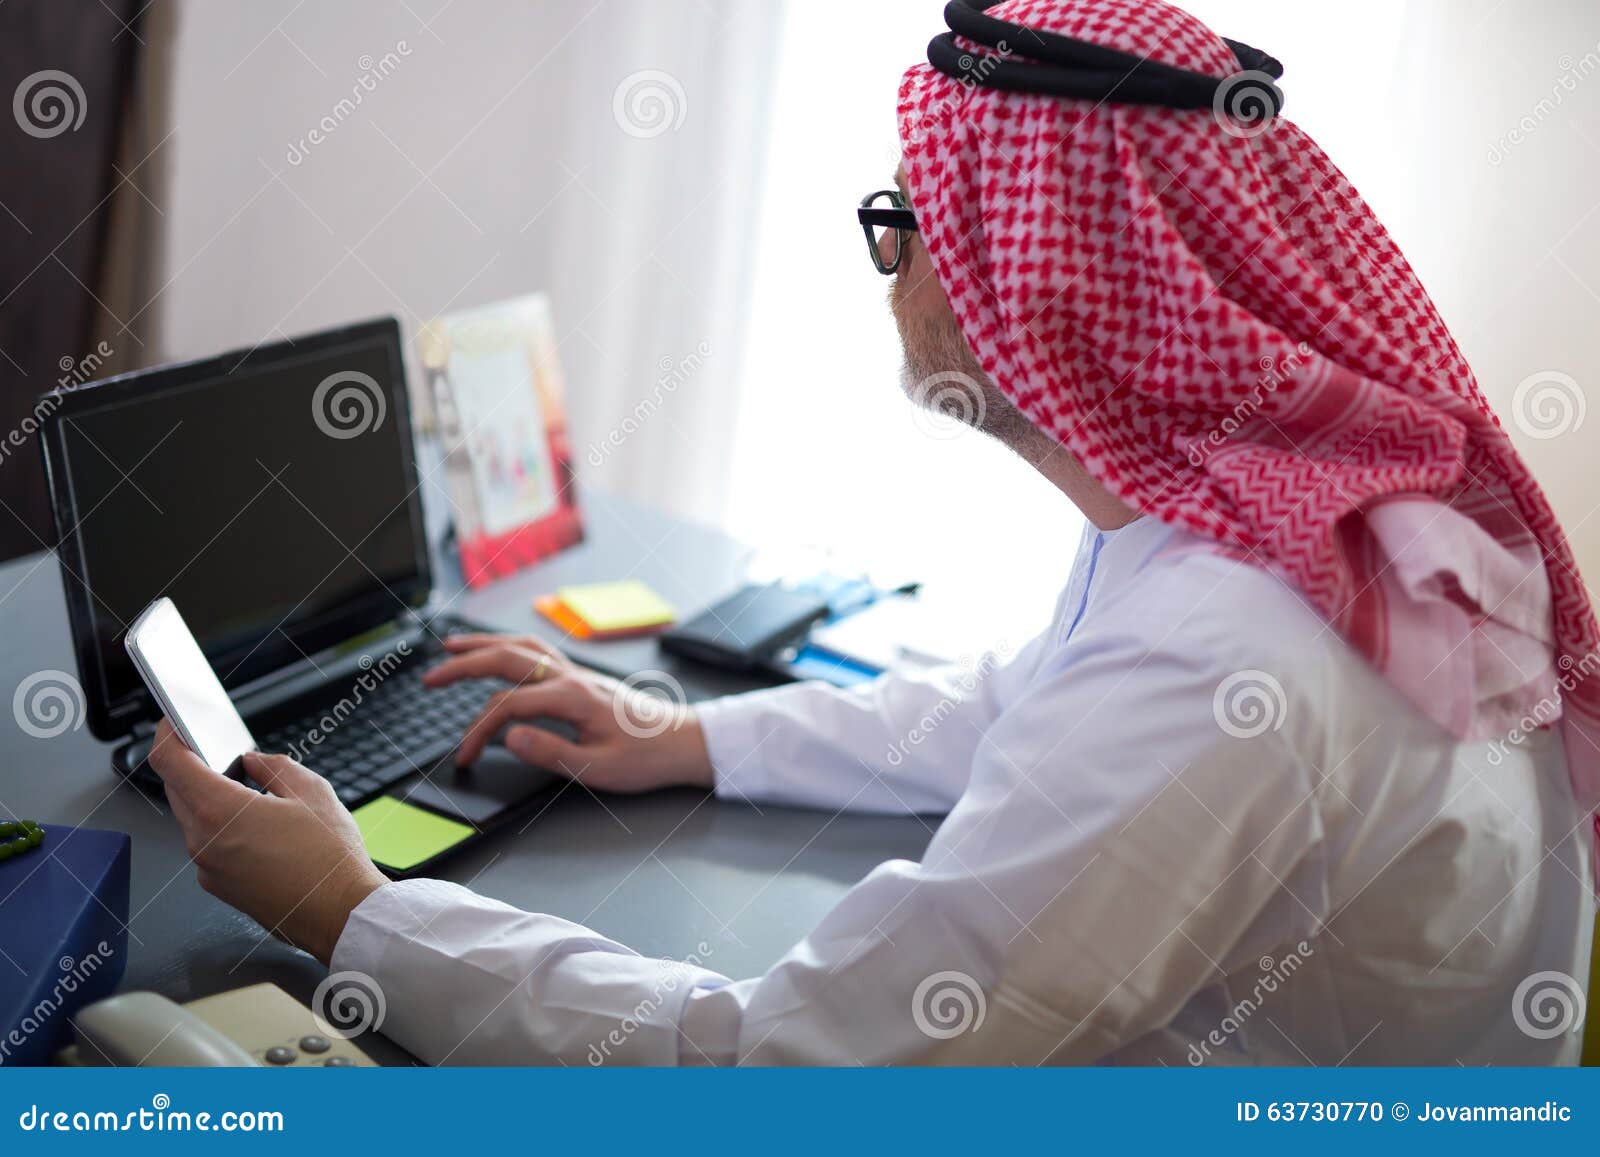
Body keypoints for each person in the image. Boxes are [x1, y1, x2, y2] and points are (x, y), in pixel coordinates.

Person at [148, 0, 1599, 1065]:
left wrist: (352, 911)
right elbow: (1027, 705)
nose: (889, 265)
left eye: (906, 223)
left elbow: (774, 1071)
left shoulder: (1228, 656)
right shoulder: (1298, 526)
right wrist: (682, 734)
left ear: (1026, 285)